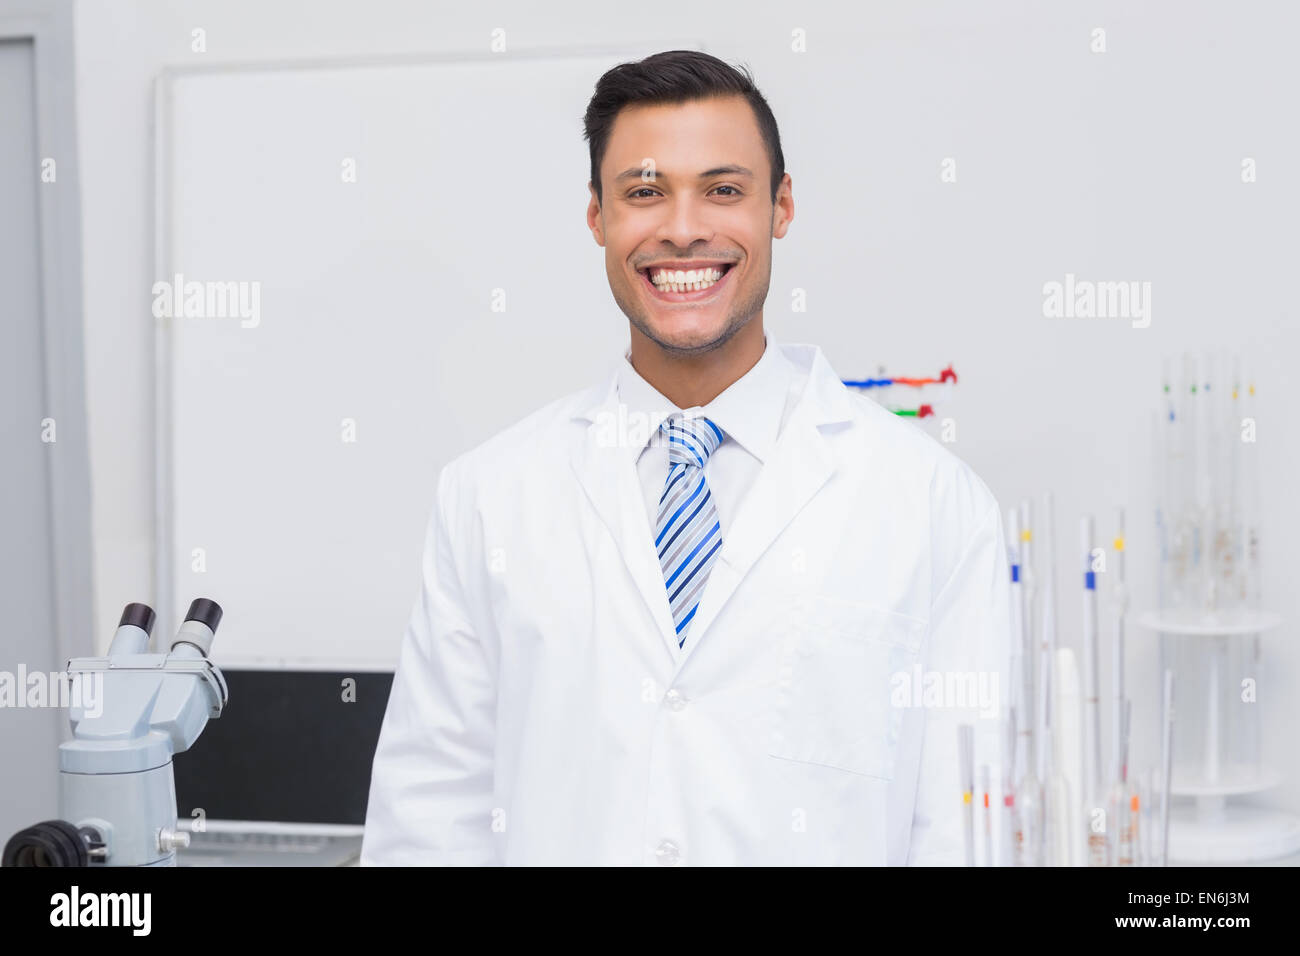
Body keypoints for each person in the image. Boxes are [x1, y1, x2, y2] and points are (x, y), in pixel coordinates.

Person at [361, 49, 1010, 866]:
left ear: (782, 207)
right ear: (597, 217)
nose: (683, 227)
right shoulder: (488, 497)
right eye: (643, 192)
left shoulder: (933, 504)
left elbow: (965, 835)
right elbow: (431, 824)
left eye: (724, 189)